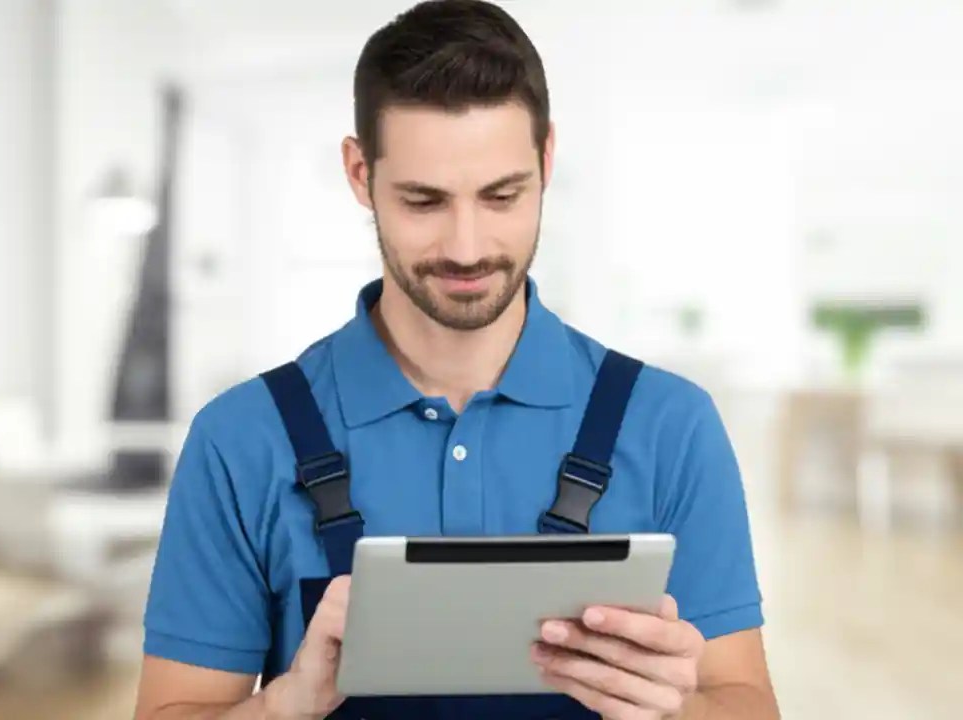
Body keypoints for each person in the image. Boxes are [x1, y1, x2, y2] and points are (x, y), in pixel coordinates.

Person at [133, 1, 778, 718]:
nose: (467, 247)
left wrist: (673, 710)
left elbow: (746, 702)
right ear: (359, 173)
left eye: (502, 196)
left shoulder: (670, 426)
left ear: (547, 160)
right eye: (424, 201)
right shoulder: (240, 439)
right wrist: (285, 704)